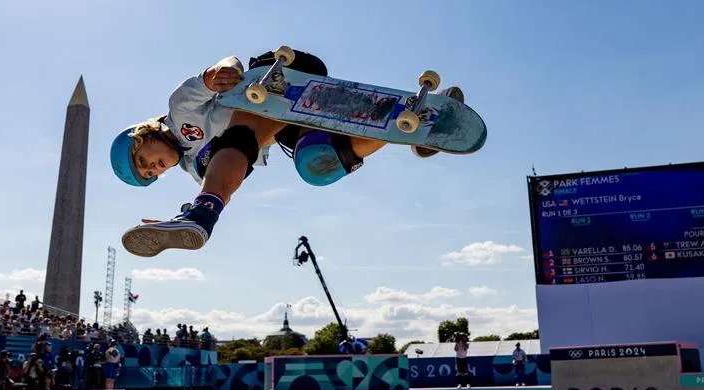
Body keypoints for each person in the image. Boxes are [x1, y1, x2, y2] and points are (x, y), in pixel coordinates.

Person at [110, 49, 465, 257]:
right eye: (151, 174)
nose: (154, 167)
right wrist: (179, 219)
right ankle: (418, 120)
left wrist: (223, 72)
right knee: (316, 164)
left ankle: (203, 215)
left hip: (275, 76)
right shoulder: (196, 168)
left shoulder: (179, 110)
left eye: (144, 160)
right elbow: (227, 180)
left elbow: (225, 64)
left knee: (237, 137)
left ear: (144, 134)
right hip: (287, 125)